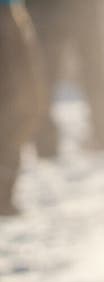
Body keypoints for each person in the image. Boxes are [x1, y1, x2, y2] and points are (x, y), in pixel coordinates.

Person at [26, 0, 104, 157]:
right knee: (91, 69)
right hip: (75, 8)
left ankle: (46, 142)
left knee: (46, 75)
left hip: (50, 11)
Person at [0, 0, 44, 215]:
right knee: (17, 103)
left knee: (23, 104)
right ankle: (3, 195)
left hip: (11, 12)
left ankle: (5, 194)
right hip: (7, 15)